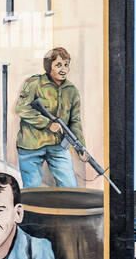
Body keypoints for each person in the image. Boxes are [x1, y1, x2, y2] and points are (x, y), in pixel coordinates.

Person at [15, 47, 86, 189]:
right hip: (31, 145)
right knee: (32, 189)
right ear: (49, 67)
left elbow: (75, 121)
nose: (63, 69)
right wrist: (47, 124)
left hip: (58, 146)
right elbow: (21, 108)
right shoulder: (34, 83)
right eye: (58, 65)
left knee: (70, 187)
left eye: (66, 65)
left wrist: (81, 147)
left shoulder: (72, 91)